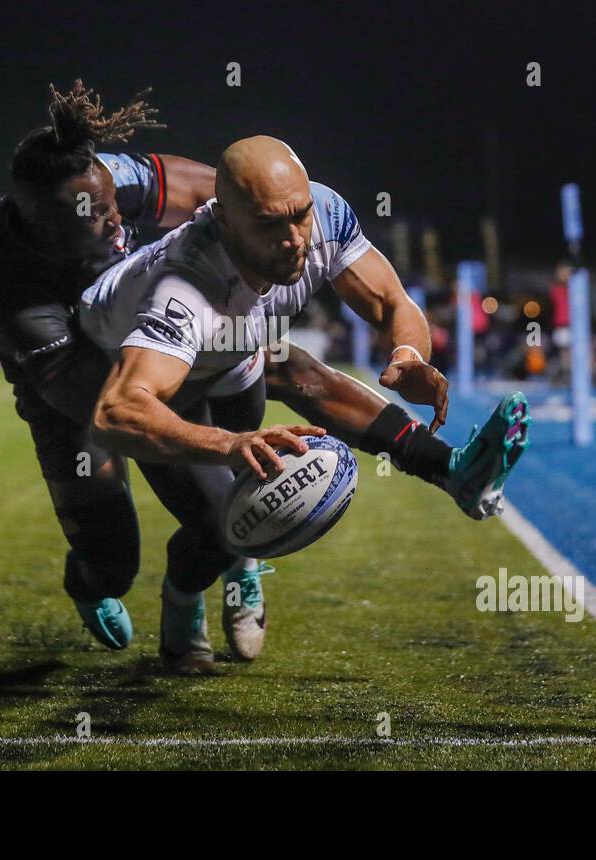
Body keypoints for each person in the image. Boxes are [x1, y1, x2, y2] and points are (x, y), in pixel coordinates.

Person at [82, 136, 530, 672]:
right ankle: (184, 605)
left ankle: (453, 472)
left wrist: (409, 355)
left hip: (232, 348)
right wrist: (229, 444)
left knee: (301, 374)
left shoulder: (324, 213)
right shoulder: (184, 291)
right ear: (223, 221)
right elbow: (117, 411)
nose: (295, 239)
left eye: (299, 215)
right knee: (222, 524)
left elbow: (392, 301)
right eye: (271, 225)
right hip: (133, 366)